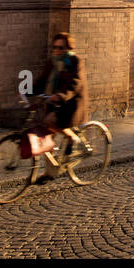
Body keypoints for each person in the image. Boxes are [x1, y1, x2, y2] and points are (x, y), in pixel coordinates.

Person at [29, 33, 88, 181]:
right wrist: (28, 91)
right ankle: (50, 172)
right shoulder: (52, 62)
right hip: (54, 104)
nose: (57, 50)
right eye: (54, 47)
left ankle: (72, 137)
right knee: (46, 137)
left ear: (68, 47)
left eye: (60, 47)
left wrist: (61, 96)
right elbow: (42, 80)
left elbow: (75, 83)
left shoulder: (74, 61)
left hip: (71, 104)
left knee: (48, 121)